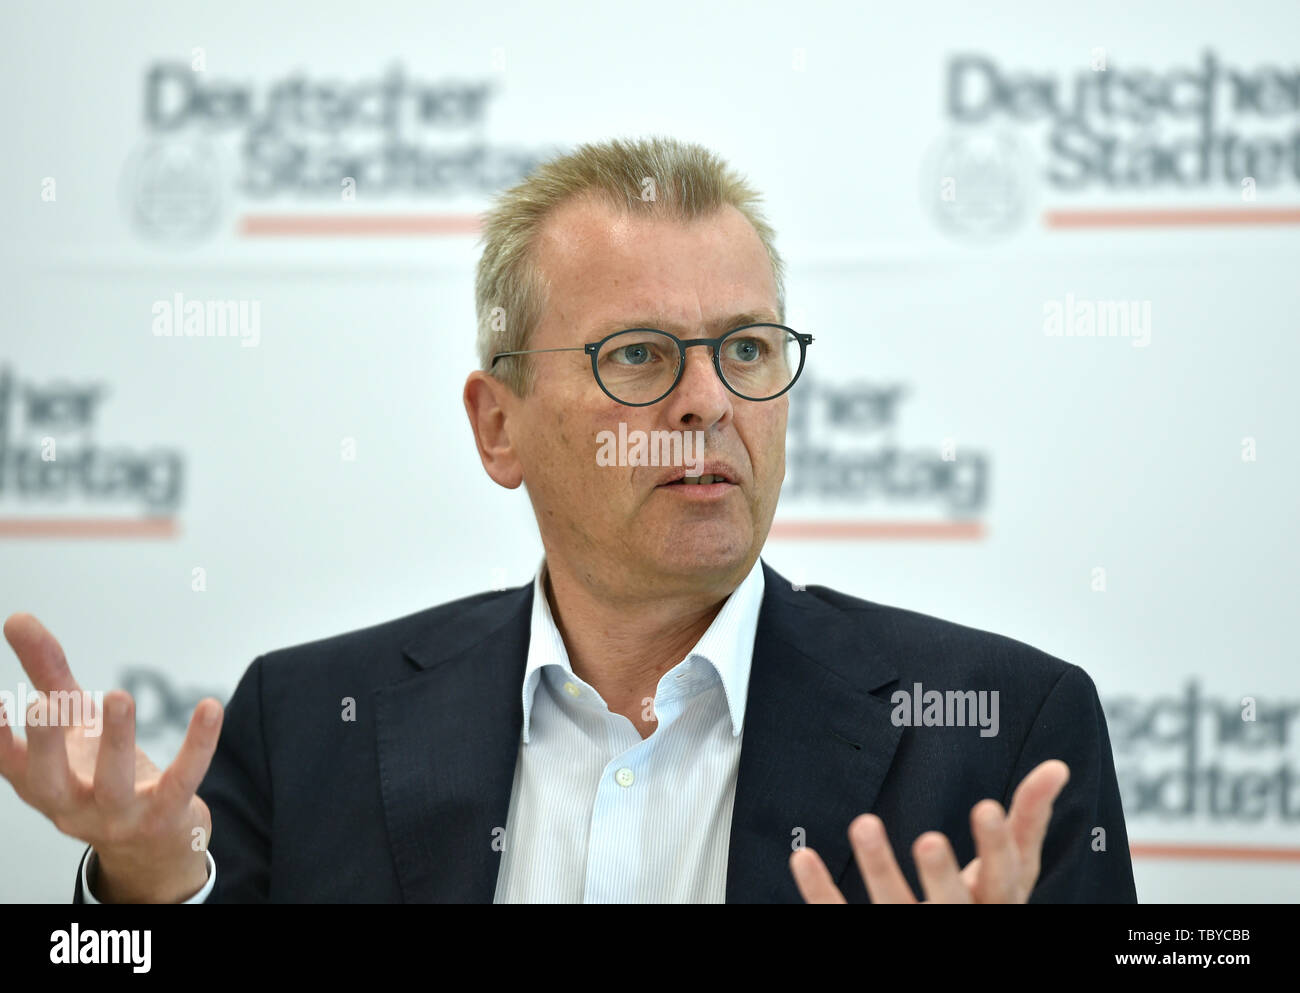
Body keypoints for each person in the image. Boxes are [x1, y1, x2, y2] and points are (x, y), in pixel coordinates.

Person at [0, 136, 1136, 903]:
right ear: (499, 426)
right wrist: (146, 889)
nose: (709, 401)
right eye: (638, 355)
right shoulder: (309, 726)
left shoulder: (1000, 736)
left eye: (746, 348)